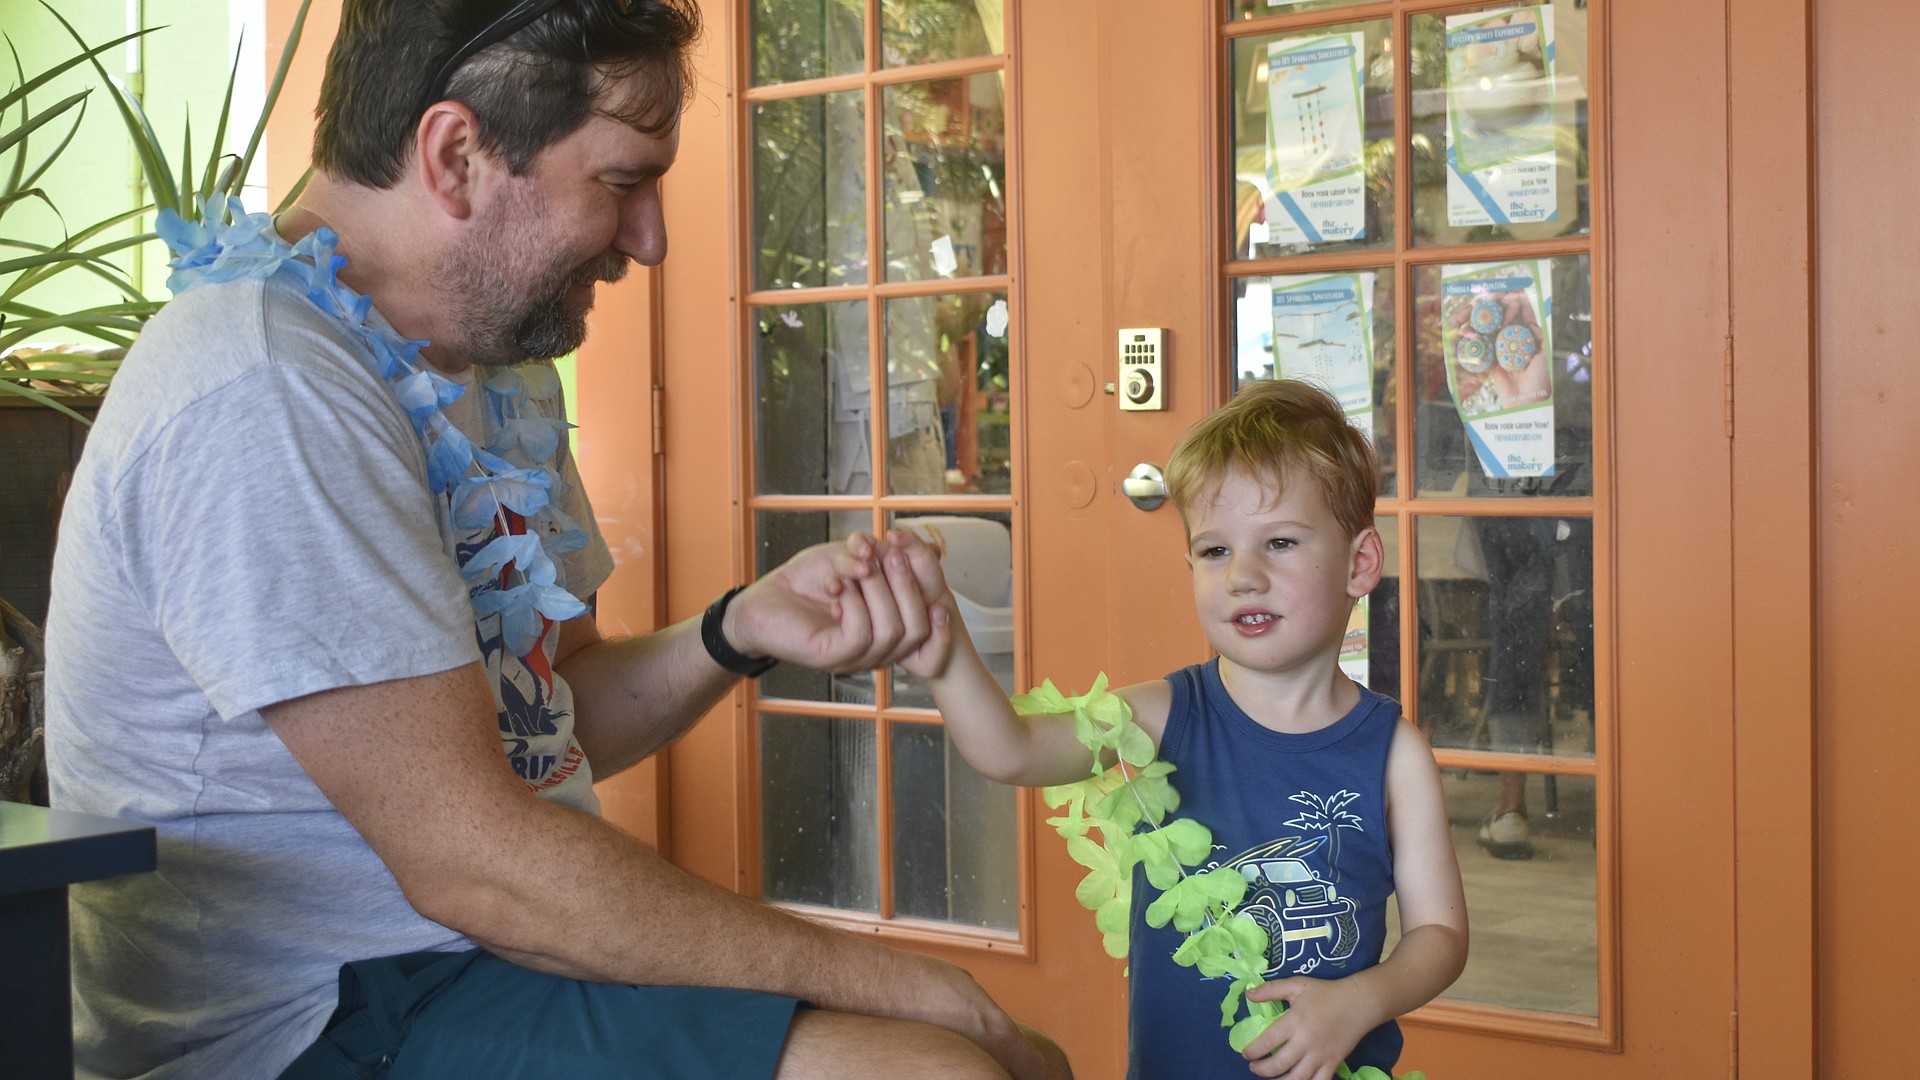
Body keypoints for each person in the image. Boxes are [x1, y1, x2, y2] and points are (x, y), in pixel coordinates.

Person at [42, 2, 1070, 1079]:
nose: (653, 238)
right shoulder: (264, 384)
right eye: (623, 183)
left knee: (988, 1055)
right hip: (311, 1027)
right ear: (456, 155)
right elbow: (477, 866)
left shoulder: (496, 366)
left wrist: (736, 631)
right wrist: (915, 983)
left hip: (476, 965)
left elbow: (550, 722)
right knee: (945, 1067)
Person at [898, 379, 1467, 1079]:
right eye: (1214, 551)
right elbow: (1009, 751)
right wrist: (946, 646)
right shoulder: (1160, 716)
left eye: (1280, 542)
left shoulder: (1393, 754)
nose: (1243, 577)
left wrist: (1359, 1000)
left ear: (1360, 564)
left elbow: (1439, 934)